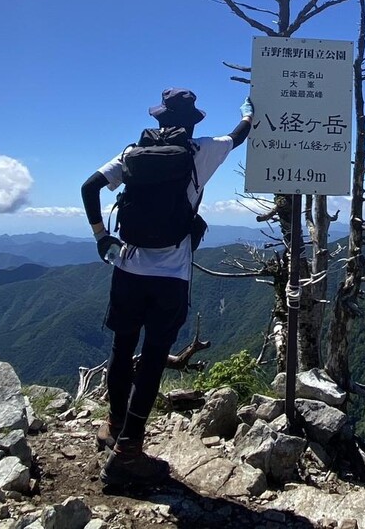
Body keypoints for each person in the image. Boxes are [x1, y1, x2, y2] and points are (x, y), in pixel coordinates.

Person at [80, 87, 253, 487]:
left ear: (158, 120)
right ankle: (128, 453)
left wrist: (101, 237)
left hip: (127, 266)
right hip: (170, 275)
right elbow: (241, 133)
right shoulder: (203, 152)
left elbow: (89, 188)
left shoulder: (130, 155)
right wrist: (249, 111)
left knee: (122, 347)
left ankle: (114, 425)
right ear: (193, 123)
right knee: (154, 356)